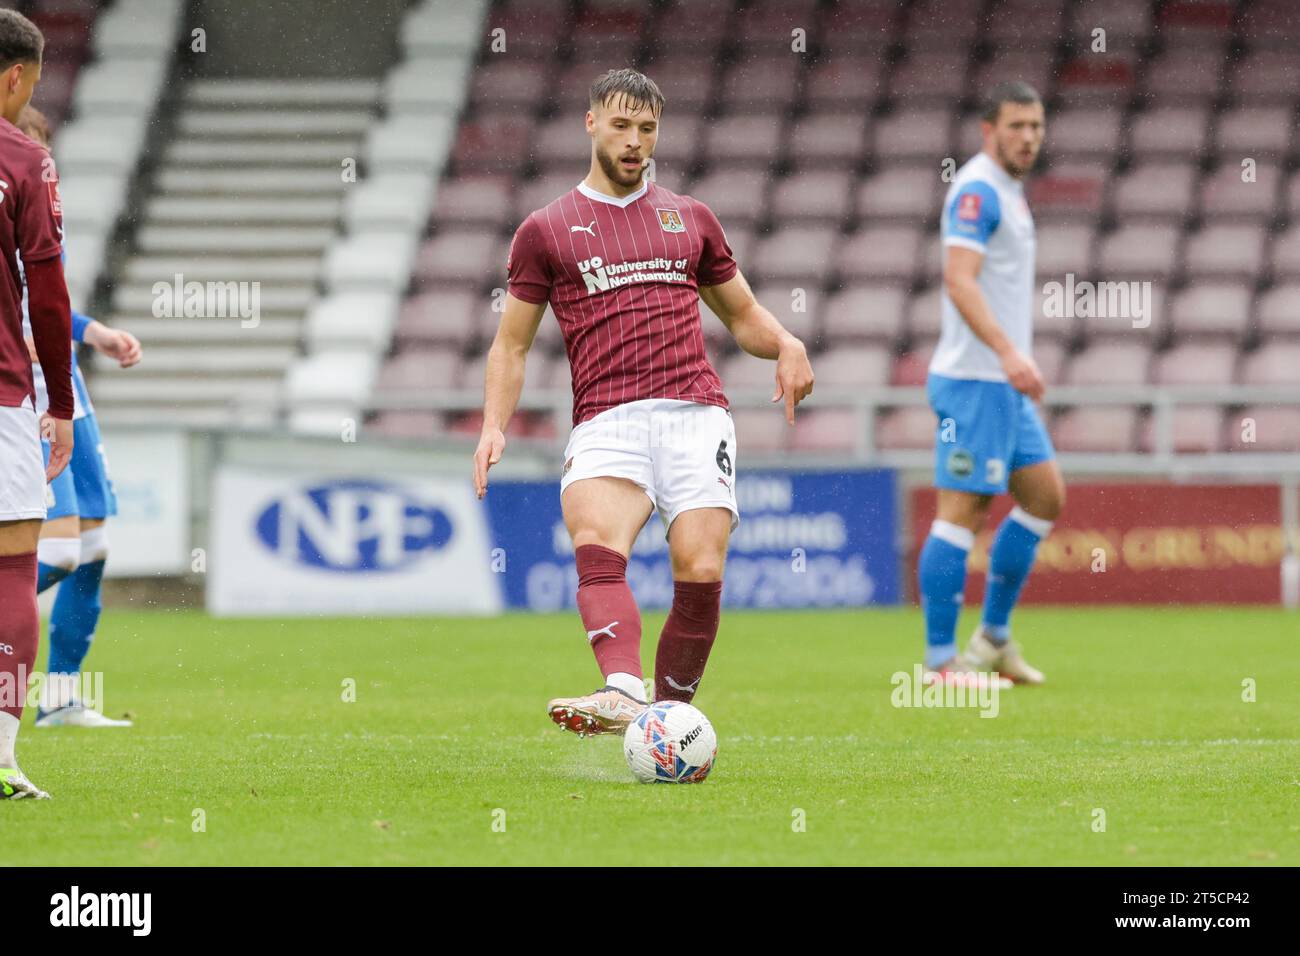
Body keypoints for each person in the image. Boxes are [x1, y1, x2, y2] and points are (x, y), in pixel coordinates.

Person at [474, 68, 814, 735]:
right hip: (607, 417)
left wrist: (786, 342)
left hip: (695, 411)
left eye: (648, 129)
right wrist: (493, 426)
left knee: (701, 564)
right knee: (597, 539)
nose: (635, 142)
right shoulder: (546, 230)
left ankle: (670, 722)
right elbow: (511, 346)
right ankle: (624, 688)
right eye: (623, 126)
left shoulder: (690, 218)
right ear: (591, 122)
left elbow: (742, 316)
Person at [919, 81, 1064, 688]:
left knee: (1044, 498)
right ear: (989, 130)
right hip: (975, 380)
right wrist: (1009, 353)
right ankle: (939, 664)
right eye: (1016, 126)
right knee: (962, 514)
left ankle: (994, 638)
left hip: (1000, 384)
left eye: (1035, 125)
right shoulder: (978, 189)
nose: (1028, 137)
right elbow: (959, 280)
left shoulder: (1008, 189)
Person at [17, 106, 141, 727]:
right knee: (60, 551)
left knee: (93, 546)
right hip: (30, 401)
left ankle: (60, 698)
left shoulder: (43, 212)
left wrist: (96, 333)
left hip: (72, 398)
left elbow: (51, 303)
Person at [0, 8, 75, 800]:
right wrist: (61, 401)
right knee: (13, 572)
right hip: (2, 396)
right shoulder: (26, 160)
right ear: (16, 76)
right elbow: (48, 297)